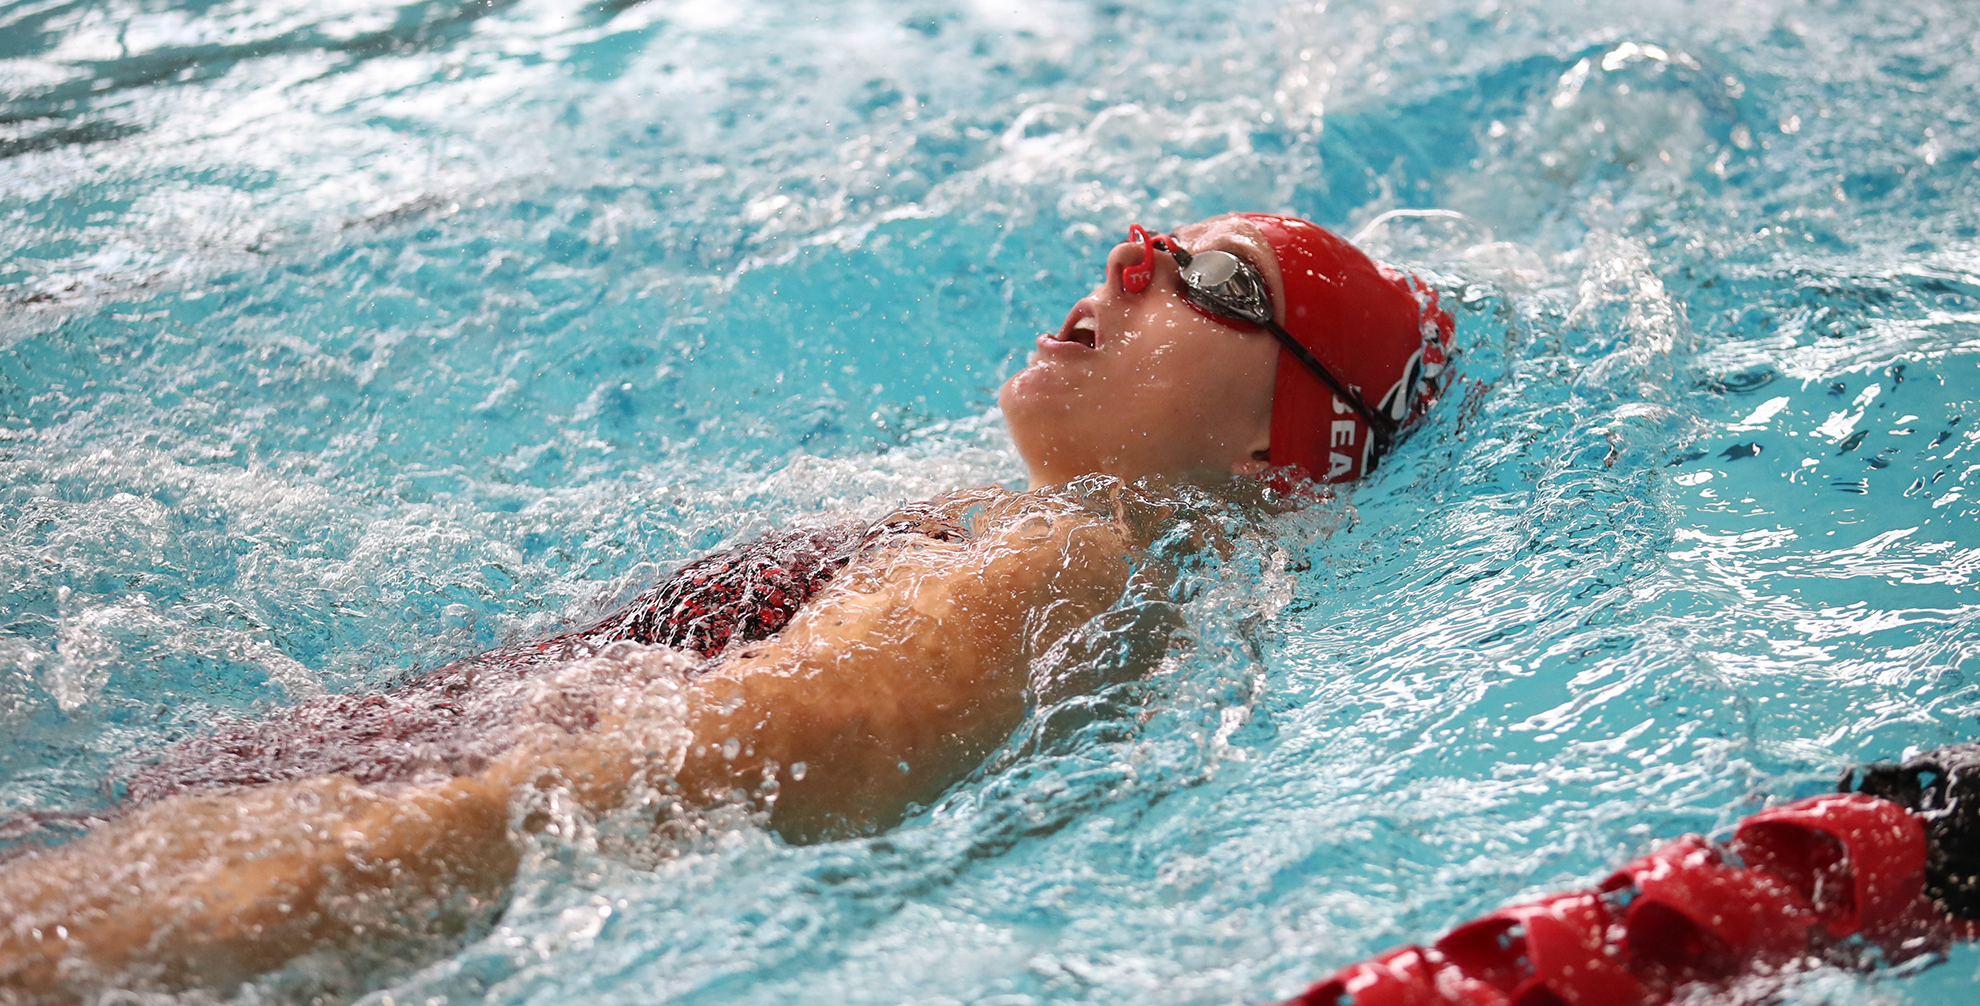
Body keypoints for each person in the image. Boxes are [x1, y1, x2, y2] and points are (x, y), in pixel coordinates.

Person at [0, 213, 1456, 1000]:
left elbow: (722, 759)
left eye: (1212, 278)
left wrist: (152, 928)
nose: (1129, 259)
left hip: (223, 864)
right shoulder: (1032, 538)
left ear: (1277, 453)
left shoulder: (1068, 568)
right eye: (1148, 234)